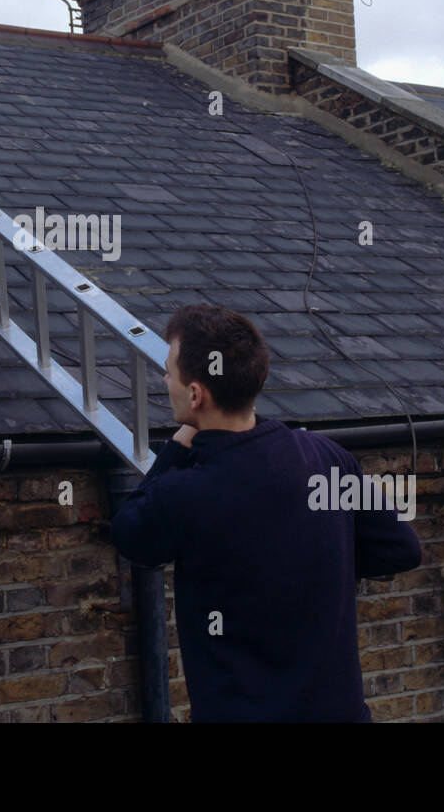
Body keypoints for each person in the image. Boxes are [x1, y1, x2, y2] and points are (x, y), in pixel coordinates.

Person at [110, 304, 421, 722]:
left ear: (197, 394)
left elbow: (130, 532)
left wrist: (179, 442)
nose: (165, 381)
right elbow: (401, 548)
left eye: (169, 372)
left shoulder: (185, 493)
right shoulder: (326, 459)